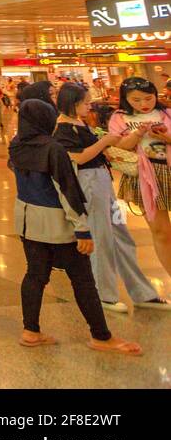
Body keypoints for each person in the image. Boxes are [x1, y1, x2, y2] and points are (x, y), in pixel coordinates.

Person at [9, 99, 142, 354]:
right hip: (57, 224)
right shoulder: (53, 148)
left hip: (28, 222)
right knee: (82, 280)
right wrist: (82, 228)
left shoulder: (17, 145)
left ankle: (31, 331)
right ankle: (101, 337)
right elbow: (66, 189)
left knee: (35, 275)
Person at [54, 82, 169, 313]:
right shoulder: (64, 128)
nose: (89, 106)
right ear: (73, 103)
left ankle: (142, 292)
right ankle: (104, 294)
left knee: (122, 238)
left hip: (103, 182)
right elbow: (78, 158)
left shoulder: (79, 123)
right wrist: (105, 141)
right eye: (85, 103)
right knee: (102, 238)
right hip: (89, 184)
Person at [106, 76, 171, 281]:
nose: (143, 104)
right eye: (136, 100)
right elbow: (118, 146)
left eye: (148, 98)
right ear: (125, 99)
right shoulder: (119, 117)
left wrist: (166, 137)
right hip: (144, 176)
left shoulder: (166, 112)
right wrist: (138, 134)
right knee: (162, 232)